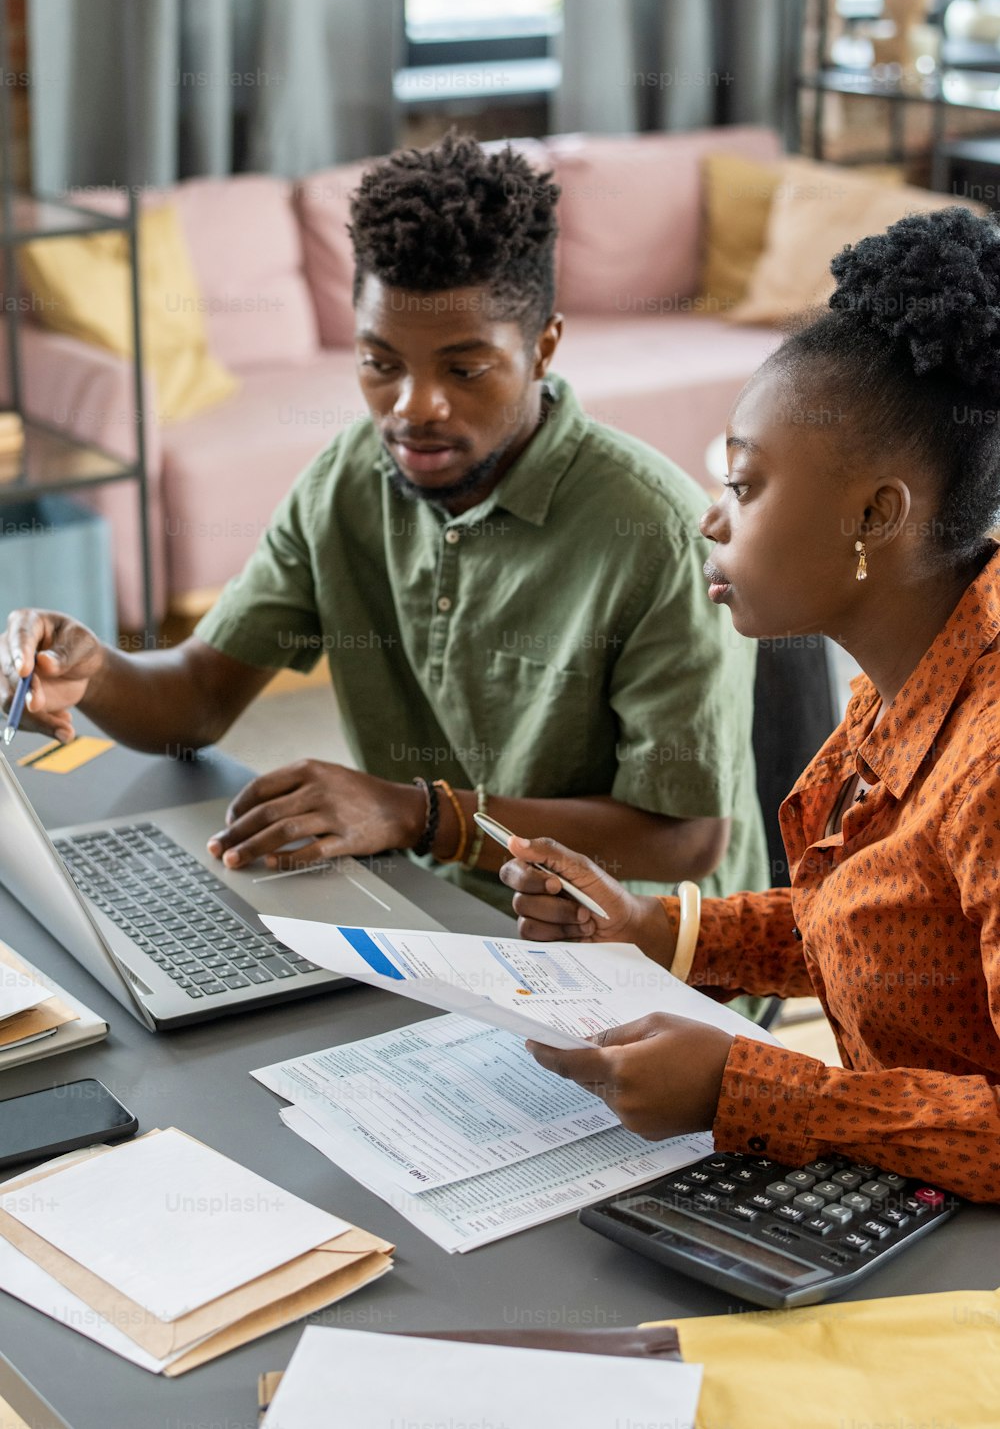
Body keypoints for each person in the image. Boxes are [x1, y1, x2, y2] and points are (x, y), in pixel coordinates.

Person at [0, 133, 766, 917]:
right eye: (381, 363)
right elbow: (198, 695)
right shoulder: (347, 481)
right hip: (424, 912)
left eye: (463, 370)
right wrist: (94, 669)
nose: (412, 408)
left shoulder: (658, 535)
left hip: (628, 959)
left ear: (542, 349)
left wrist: (418, 815)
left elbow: (684, 839)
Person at [500, 205, 1000, 1202]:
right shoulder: (906, 685)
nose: (710, 516)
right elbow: (873, 935)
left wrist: (750, 1089)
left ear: (874, 515)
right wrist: (650, 930)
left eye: (745, 482)